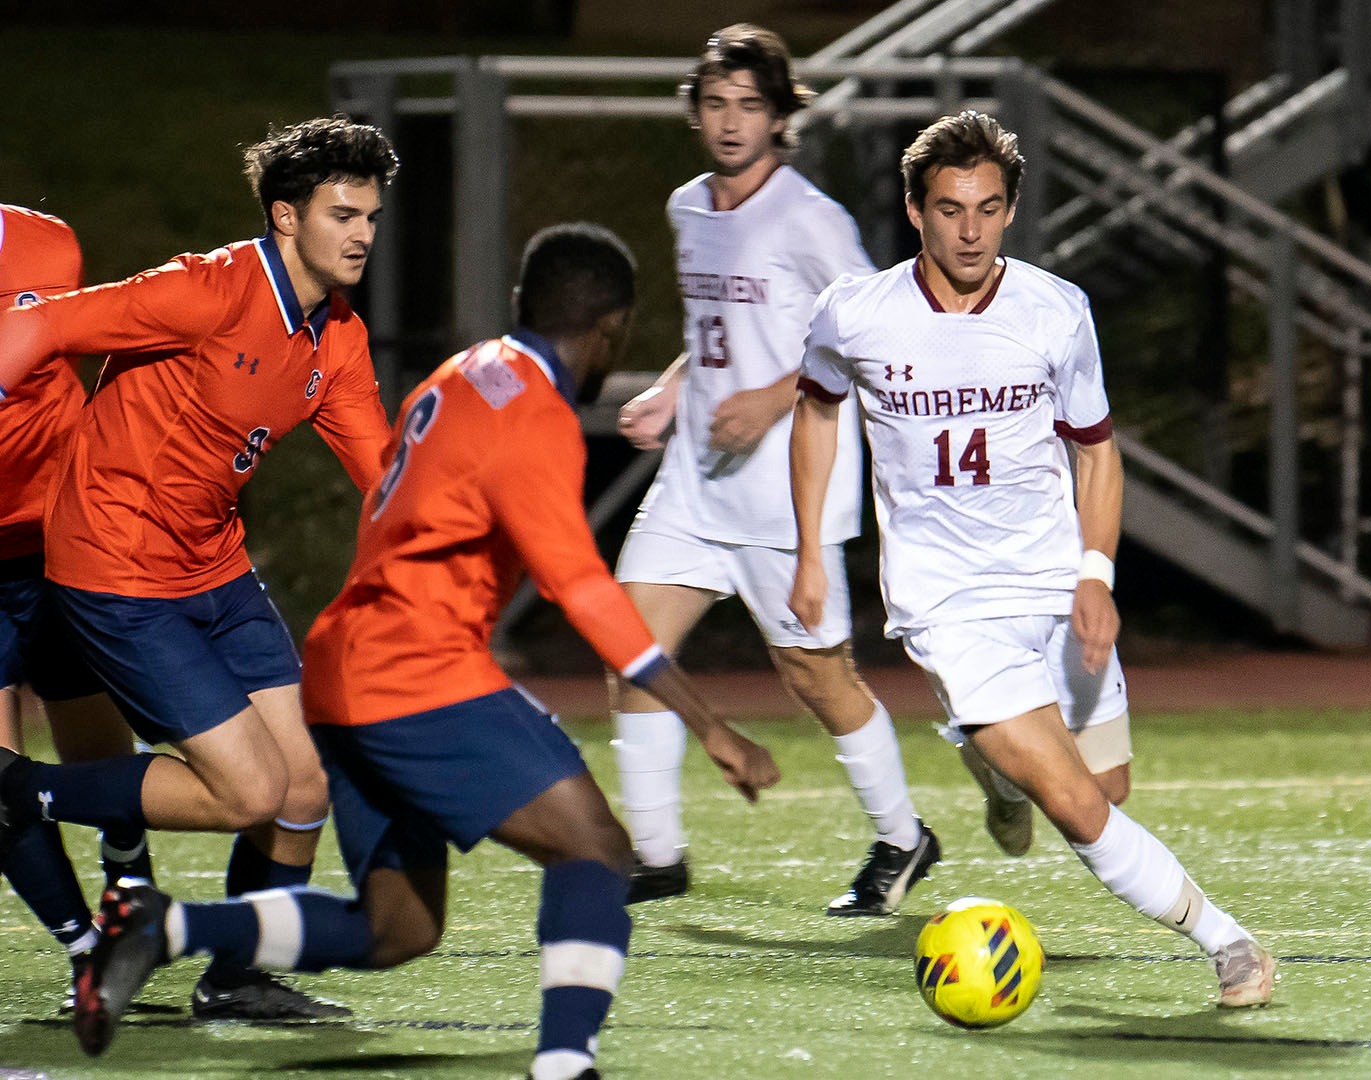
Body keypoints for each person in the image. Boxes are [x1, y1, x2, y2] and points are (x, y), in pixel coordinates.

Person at [71, 223, 781, 1080]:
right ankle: (564, 1064)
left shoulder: (461, 374)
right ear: (613, 331)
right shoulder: (536, 415)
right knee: (594, 848)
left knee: (396, 929)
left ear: (521, 305)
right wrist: (710, 725)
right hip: (416, 676)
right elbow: (582, 588)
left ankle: (164, 923)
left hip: (340, 673)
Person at [789, 111, 1275, 1008]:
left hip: (1056, 582)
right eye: (948, 209)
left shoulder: (1057, 310)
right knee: (1077, 807)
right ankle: (1231, 944)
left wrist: (1097, 575)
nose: (968, 229)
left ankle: (994, 772)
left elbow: (1097, 451)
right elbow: (816, 408)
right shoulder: (855, 313)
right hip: (947, 605)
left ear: (1010, 211)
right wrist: (812, 547)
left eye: (986, 208)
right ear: (914, 211)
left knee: (1109, 786)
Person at [0, 117, 401, 1020]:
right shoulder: (207, 288)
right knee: (247, 789)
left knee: (302, 789)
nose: (363, 235)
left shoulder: (335, 338)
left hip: (211, 564)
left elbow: (384, 475)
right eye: (343, 214)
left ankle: (236, 977)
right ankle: (13, 791)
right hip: (115, 564)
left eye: (372, 216)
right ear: (285, 218)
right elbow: (47, 324)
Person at [609, 23, 937, 916]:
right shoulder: (687, 207)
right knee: (629, 646)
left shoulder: (808, 217)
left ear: (779, 116)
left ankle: (905, 838)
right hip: (697, 476)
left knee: (817, 678)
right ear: (695, 111)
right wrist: (678, 388)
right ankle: (657, 854)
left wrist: (772, 396)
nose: (730, 121)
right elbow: (715, 327)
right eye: (715, 103)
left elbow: (871, 332)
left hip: (788, 486)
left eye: (749, 105)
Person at [0, 202, 153, 1003]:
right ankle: (90, 956)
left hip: (66, 537)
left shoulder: (49, 242)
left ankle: (134, 901)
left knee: (101, 753)